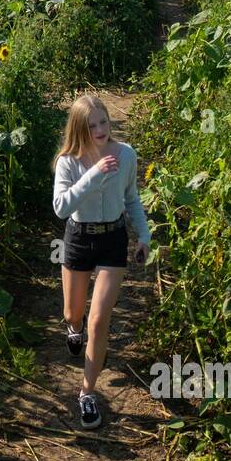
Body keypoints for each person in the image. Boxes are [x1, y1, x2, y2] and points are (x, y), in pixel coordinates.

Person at [52, 95, 150, 431]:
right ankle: (73, 331)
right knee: (73, 315)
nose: (100, 130)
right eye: (92, 125)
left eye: (104, 122)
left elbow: (131, 198)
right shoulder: (69, 161)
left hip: (113, 240)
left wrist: (144, 236)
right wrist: (93, 172)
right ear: (80, 129)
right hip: (79, 238)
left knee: (98, 321)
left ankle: (87, 393)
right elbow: (61, 207)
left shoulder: (126, 155)